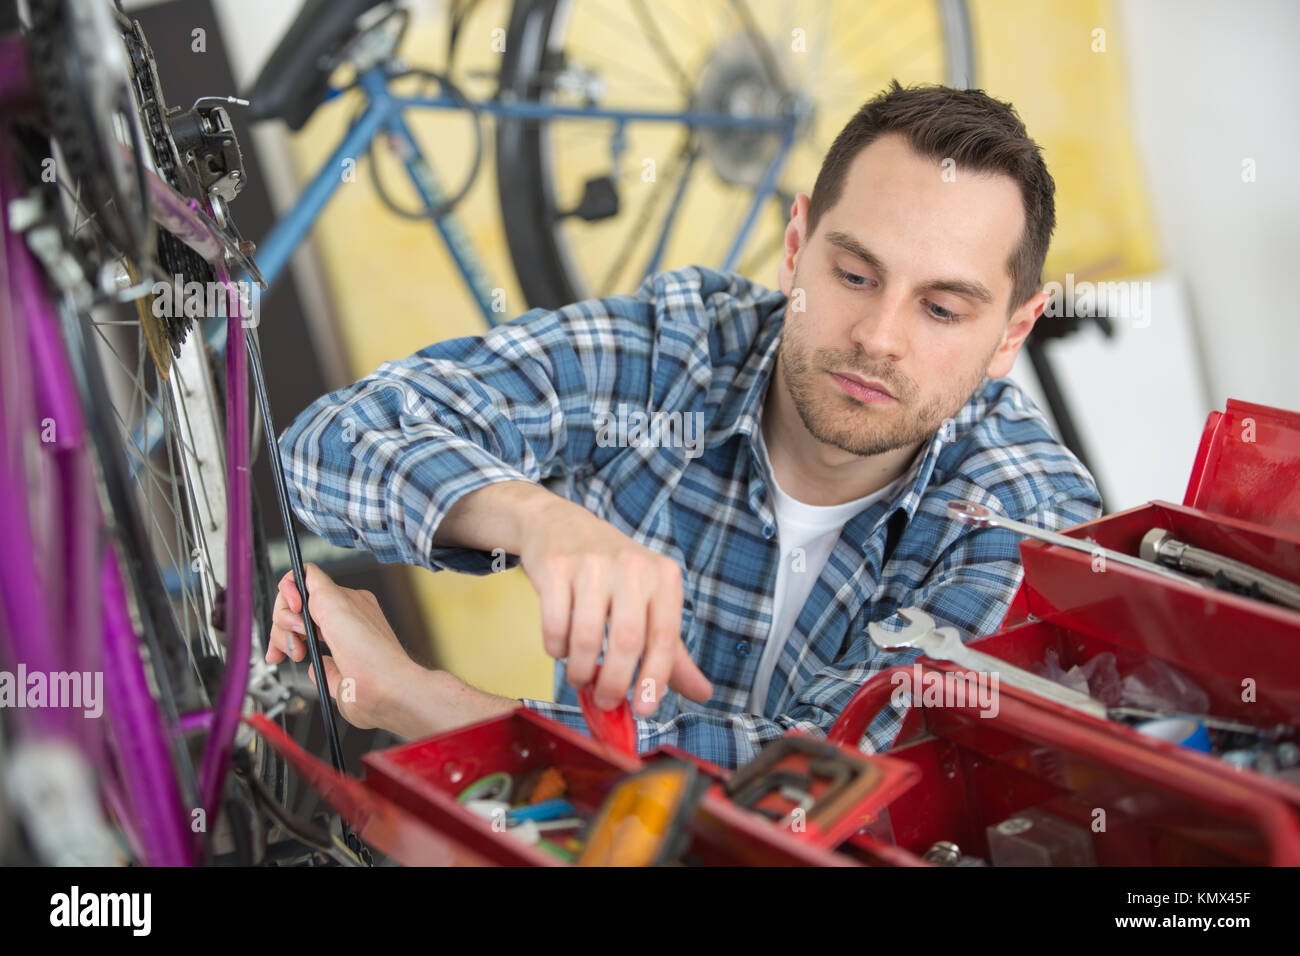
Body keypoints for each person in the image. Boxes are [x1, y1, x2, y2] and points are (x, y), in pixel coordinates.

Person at [271, 81, 1102, 770]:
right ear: (794, 246)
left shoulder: (1033, 518)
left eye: (943, 308)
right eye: (853, 273)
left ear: (1012, 334)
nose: (878, 337)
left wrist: (423, 703)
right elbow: (324, 449)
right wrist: (540, 521)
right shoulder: (682, 347)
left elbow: (815, 798)